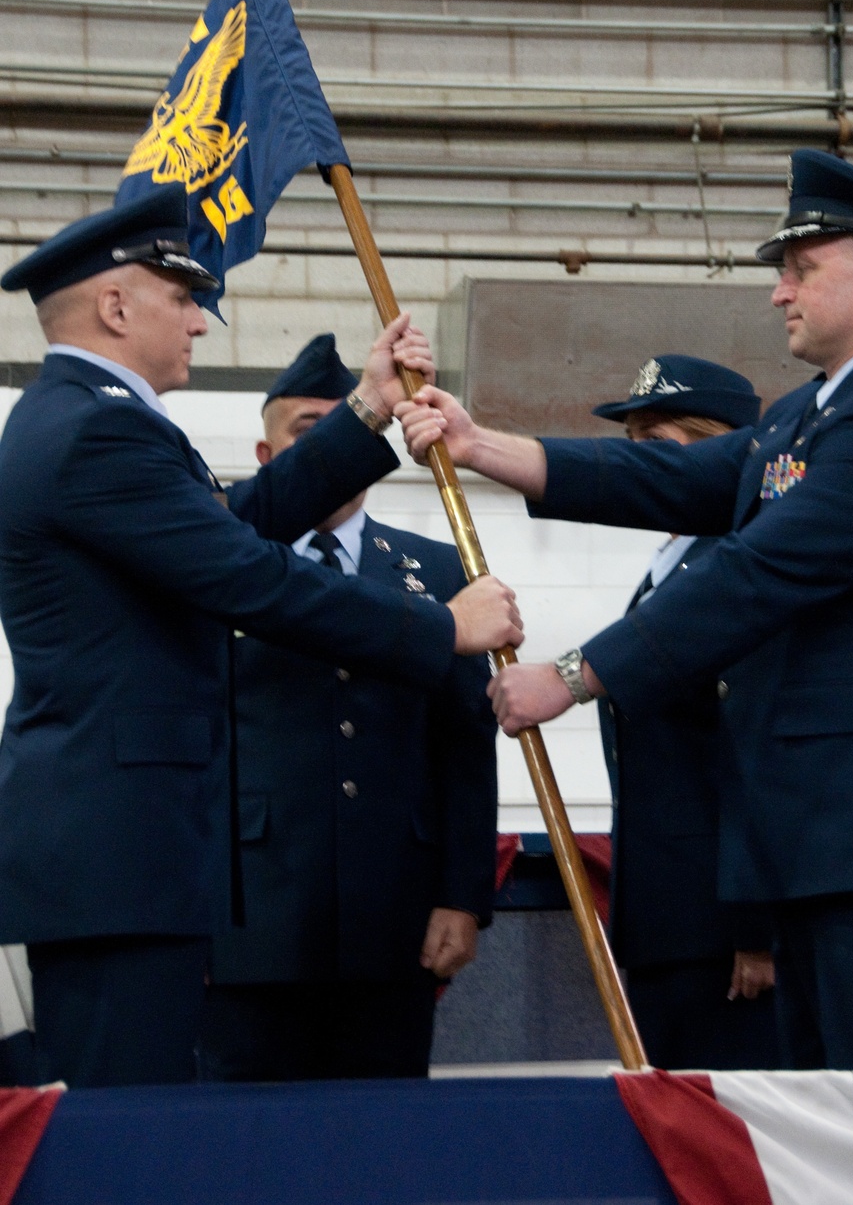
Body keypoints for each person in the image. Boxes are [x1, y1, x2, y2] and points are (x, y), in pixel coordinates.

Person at [399, 149, 853, 1070]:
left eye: (801, 269)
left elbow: (753, 575)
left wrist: (570, 677)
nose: (778, 293)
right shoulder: (807, 417)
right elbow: (673, 476)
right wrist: (487, 445)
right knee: (826, 1142)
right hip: (817, 850)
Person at [0, 186, 522, 1088]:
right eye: (181, 298)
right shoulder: (99, 431)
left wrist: (365, 415)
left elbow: (236, 531)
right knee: (128, 1139)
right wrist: (439, 626)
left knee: (139, 1128)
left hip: (122, 853)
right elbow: (252, 577)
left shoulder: (83, 421)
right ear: (116, 306)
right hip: (122, 853)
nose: (201, 324)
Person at [199, 335, 498, 1081]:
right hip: (255, 913)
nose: (336, 443)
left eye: (350, 423)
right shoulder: (222, 565)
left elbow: (465, 738)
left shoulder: (435, 570)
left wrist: (463, 897)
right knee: (250, 1148)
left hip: (395, 909)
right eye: (311, 432)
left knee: (383, 1145)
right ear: (270, 456)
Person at [589, 355, 778, 1069]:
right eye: (631, 449)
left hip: (721, 928)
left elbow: (752, 752)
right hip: (669, 916)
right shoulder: (672, 565)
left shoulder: (740, 567)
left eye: (659, 448)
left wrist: (754, 928)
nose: (641, 469)